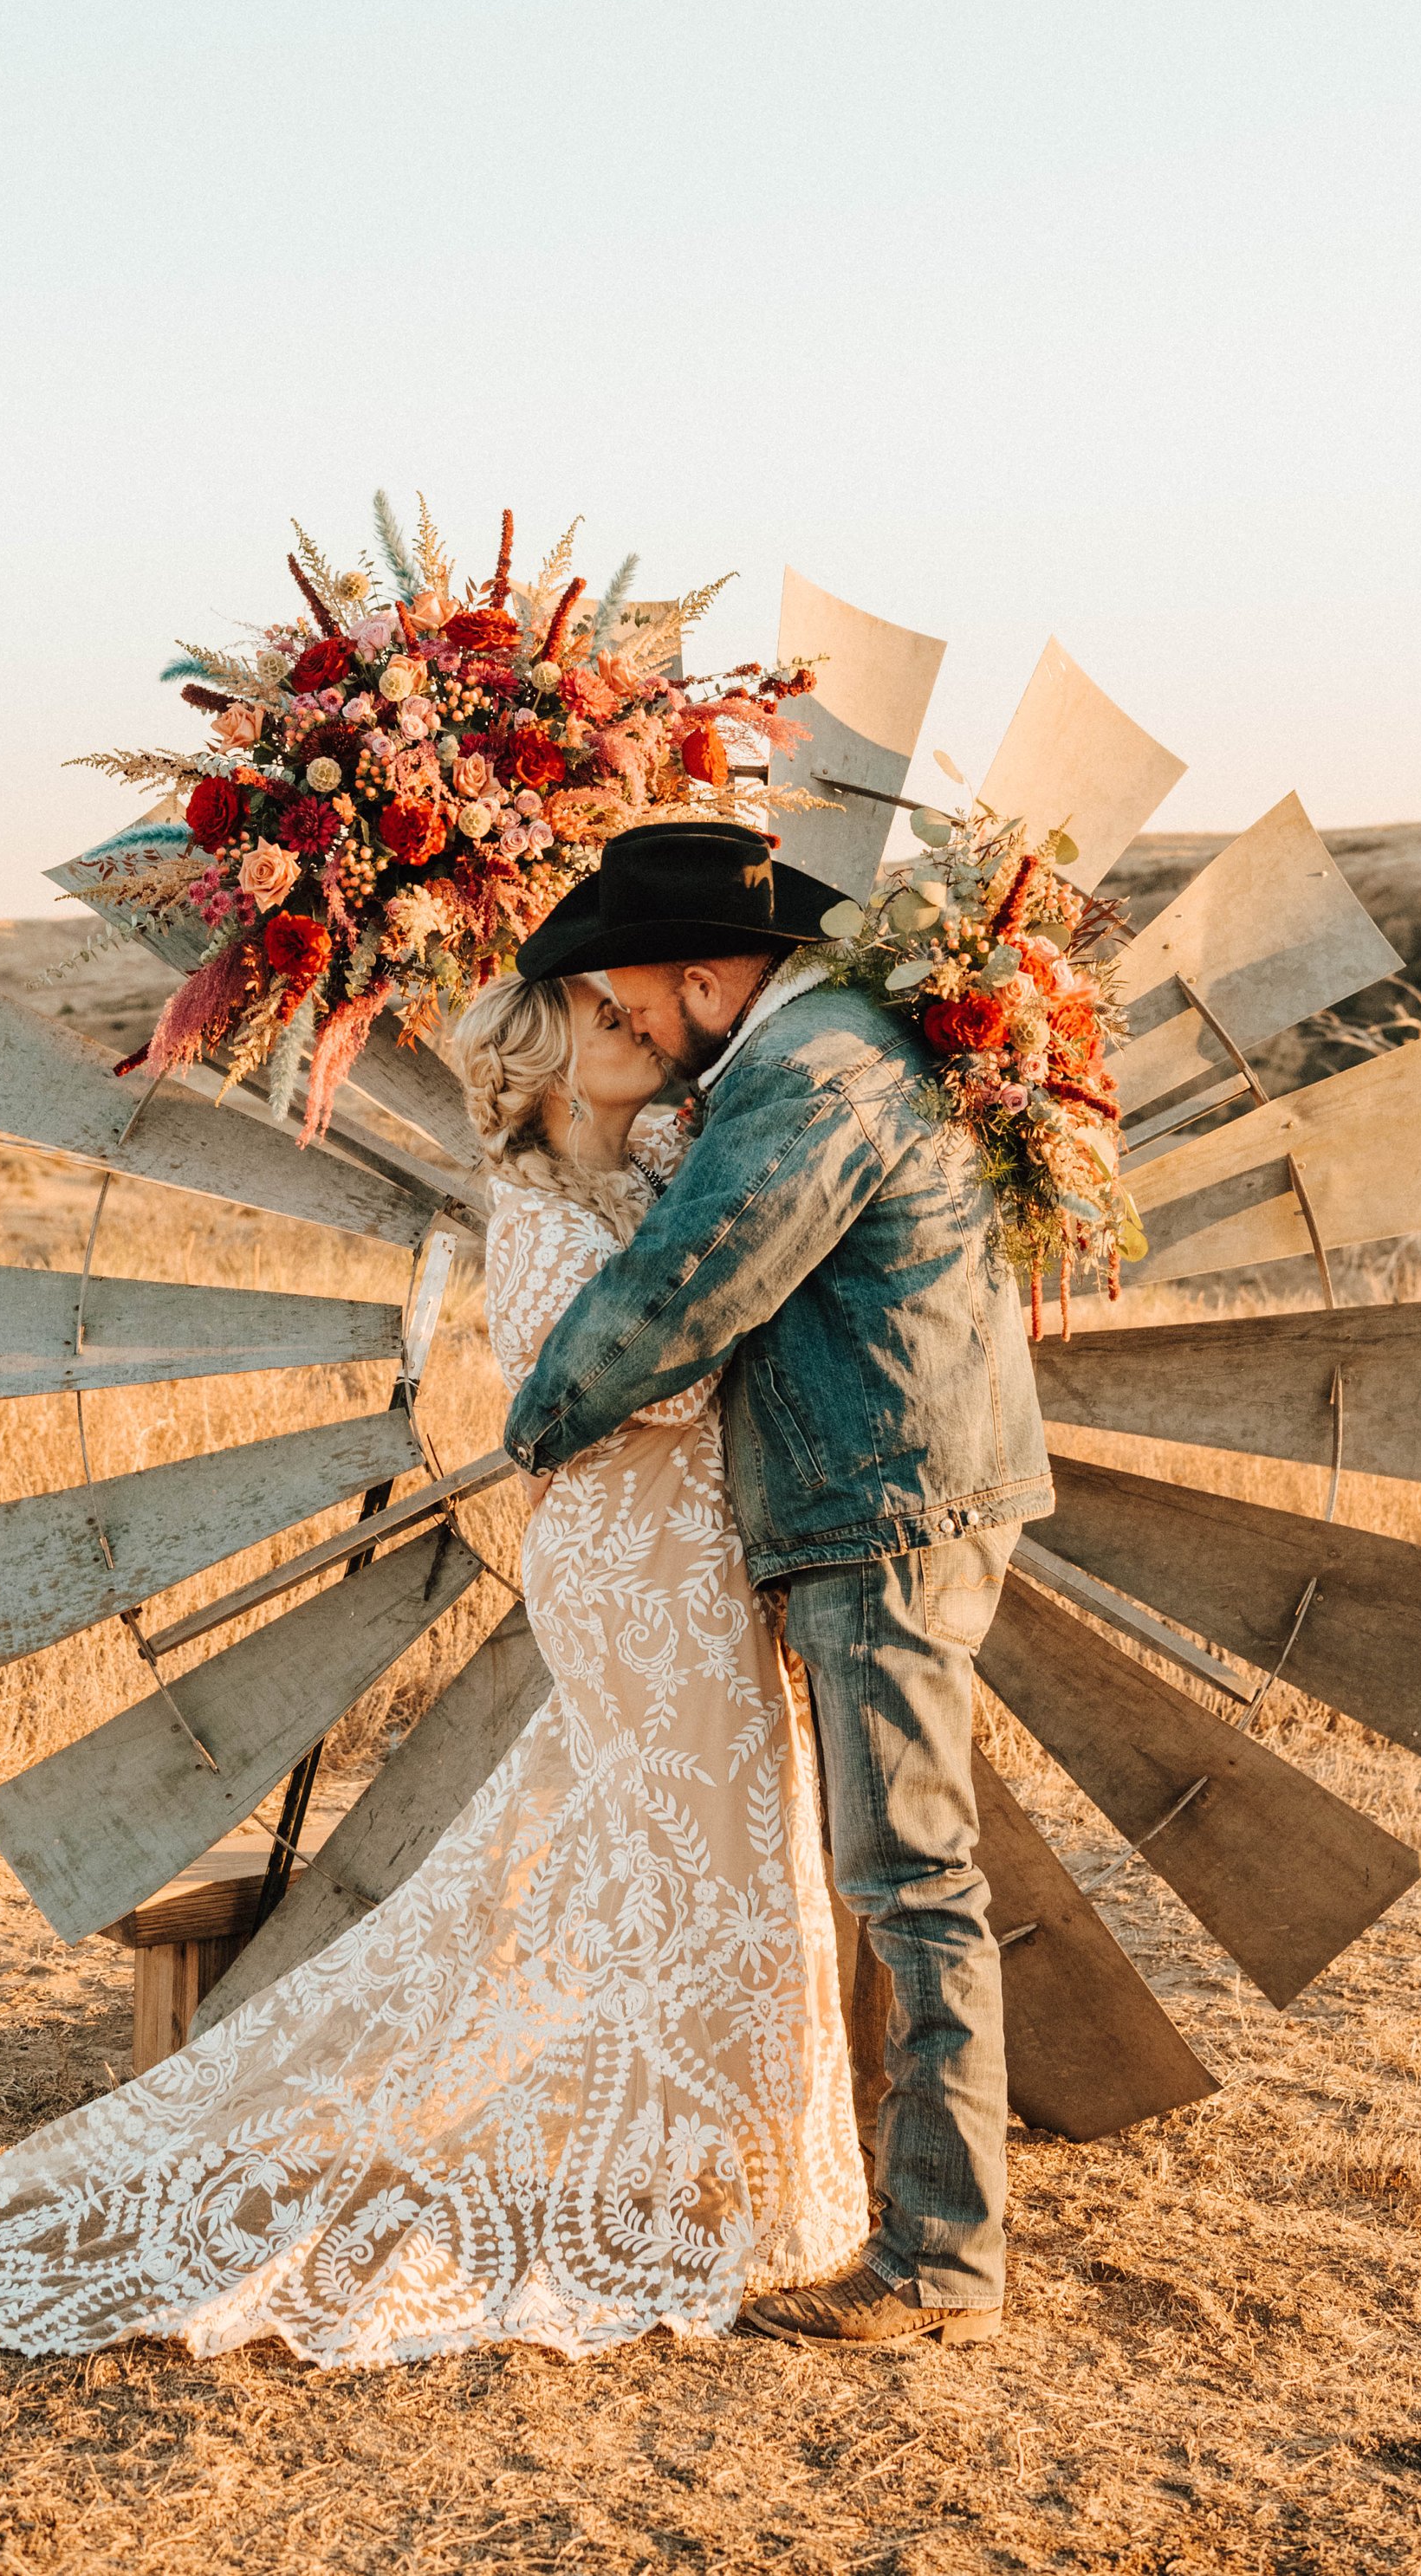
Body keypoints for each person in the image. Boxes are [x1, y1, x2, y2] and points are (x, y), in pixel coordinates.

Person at [0, 968, 866, 2368]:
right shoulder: (531, 1221)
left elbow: (740, 1206)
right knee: (699, 1850)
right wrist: (731, 1319)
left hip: (701, 1558)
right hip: (628, 1572)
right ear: (541, 1070)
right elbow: (630, 1385)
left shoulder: (657, 1154)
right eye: (607, 1022)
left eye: (637, 1016)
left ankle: (724, 2162)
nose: (643, 1028)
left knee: (728, 1852)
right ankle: (720, 2184)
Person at [503, 819, 1054, 2353]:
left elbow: (697, 1273)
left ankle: (939, 2261)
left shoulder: (808, 1073)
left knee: (908, 1872)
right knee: (904, 1860)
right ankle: (920, 2216)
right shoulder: (832, 1043)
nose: (630, 1030)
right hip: (904, 1488)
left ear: (698, 976)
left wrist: (543, 1415)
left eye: (630, 1001)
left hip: (885, 1506)